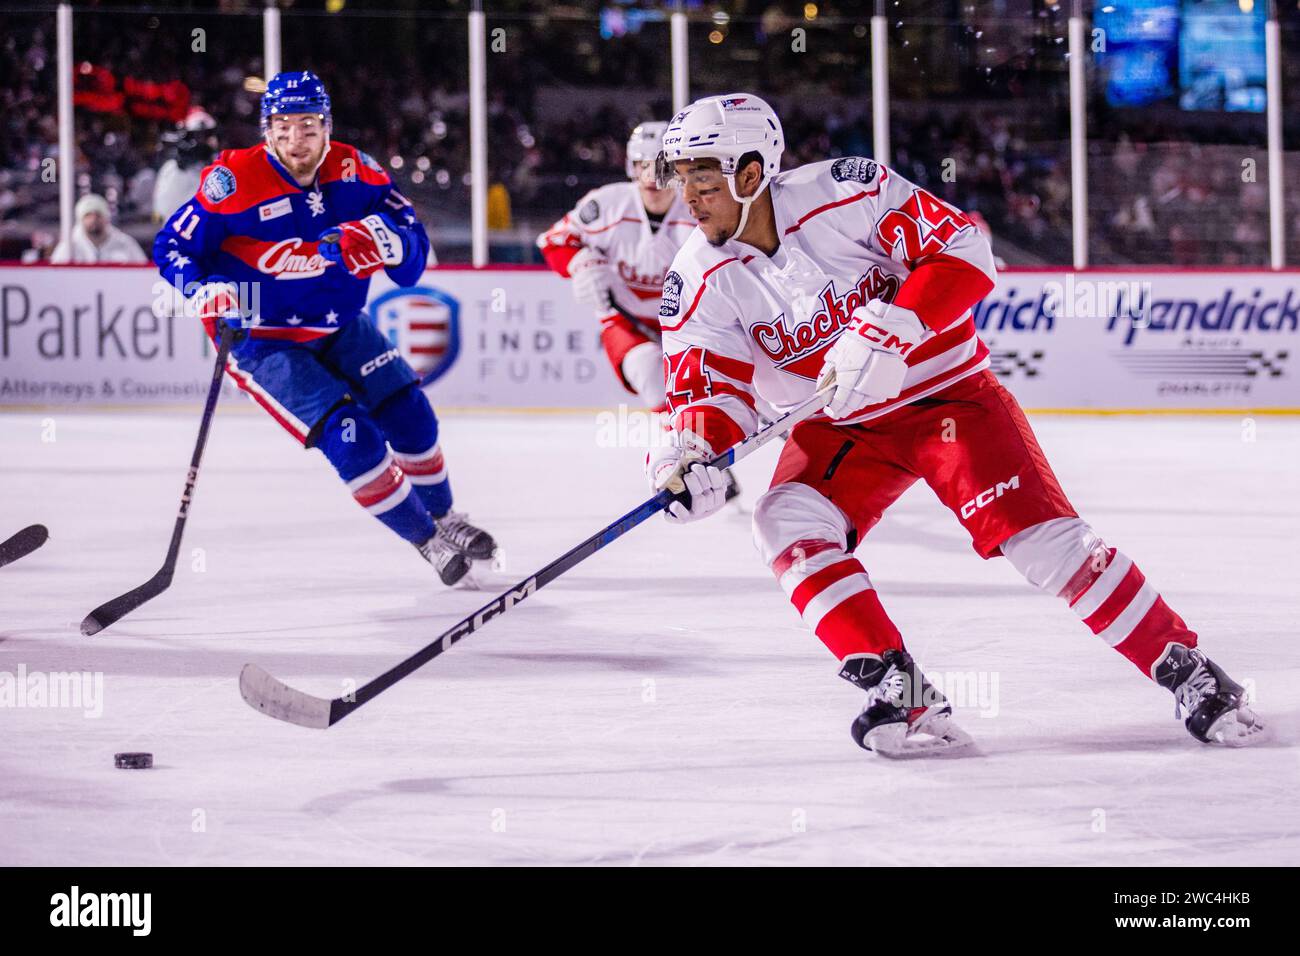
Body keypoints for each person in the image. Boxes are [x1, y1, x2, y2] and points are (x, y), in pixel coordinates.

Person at [646, 93, 1264, 757]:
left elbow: (966, 253)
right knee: (784, 521)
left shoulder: (846, 190)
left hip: (947, 397)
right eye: (680, 180)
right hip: (842, 427)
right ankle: (903, 696)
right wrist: (693, 453)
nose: (688, 198)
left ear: (748, 174)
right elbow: (712, 389)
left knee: (1046, 548)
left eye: (701, 180)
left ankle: (1194, 674)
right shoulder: (696, 277)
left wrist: (897, 325)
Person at [153, 71, 495, 586]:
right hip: (263, 340)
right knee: (352, 439)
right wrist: (205, 290)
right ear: (267, 128)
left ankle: (448, 519)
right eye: (284, 127)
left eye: (309, 126)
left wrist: (389, 240)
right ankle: (426, 541)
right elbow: (172, 248)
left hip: (339, 324)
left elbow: (412, 250)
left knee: (412, 416)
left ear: (327, 126)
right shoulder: (232, 180)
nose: (297, 140)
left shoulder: (357, 171)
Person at [537, 122, 696, 413]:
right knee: (650, 371)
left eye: (661, 165)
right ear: (630, 166)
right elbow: (553, 241)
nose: (650, 176)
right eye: (641, 164)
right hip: (625, 321)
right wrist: (581, 263)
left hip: (690, 324)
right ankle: (679, 445)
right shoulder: (608, 204)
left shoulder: (699, 207)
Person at [153, 106, 219, 223]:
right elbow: (161, 211)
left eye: (207, 135)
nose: (203, 141)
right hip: (179, 232)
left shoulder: (220, 166)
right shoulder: (172, 168)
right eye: (198, 136)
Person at [51, 193, 147, 264]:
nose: (93, 219)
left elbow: (142, 272)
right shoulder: (69, 246)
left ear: (106, 218)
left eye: (98, 215)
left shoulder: (125, 243)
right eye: (88, 215)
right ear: (80, 220)